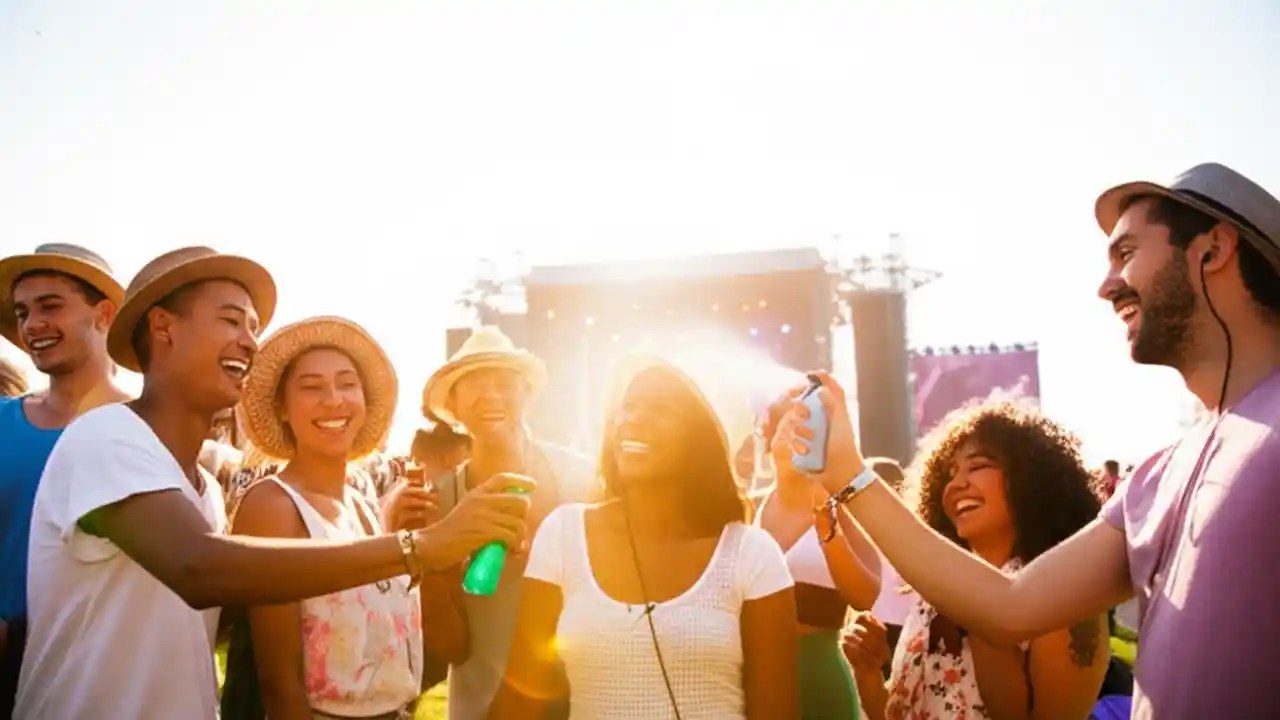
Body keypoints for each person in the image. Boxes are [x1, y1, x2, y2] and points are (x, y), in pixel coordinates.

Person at [782, 163, 1280, 719]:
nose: (1106, 285)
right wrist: (848, 476)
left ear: (1214, 249)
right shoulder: (1157, 476)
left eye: (1127, 253)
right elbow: (1012, 607)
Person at [15, 247, 533, 720]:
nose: (250, 340)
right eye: (231, 320)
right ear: (164, 327)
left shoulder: (206, 492)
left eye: (253, 326)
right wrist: (419, 547)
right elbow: (198, 568)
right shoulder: (105, 436)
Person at [491, 356, 799, 719]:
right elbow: (522, 696)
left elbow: (777, 712)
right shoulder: (562, 534)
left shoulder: (751, 553)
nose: (634, 419)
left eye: (660, 409)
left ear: (698, 436)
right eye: (629, 407)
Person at [843, 401, 1109, 719]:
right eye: (950, 473)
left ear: (1033, 477)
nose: (956, 484)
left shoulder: (1061, 592)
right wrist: (868, 671)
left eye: (978, 465)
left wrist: (979, 610)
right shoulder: (935, 597)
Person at [222, 316, 425, 719]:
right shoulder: (273, 507)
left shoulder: (364, 506)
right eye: (312, 387)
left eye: (348, 384)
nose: (334, 400)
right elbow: (279, 687)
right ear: (282, 407)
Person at [417, 326, 597, 720]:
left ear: (526, 394)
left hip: (577, 706)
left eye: (504, 382)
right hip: (477, 708)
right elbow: (451, 649)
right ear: (454, 404)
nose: (492, 395)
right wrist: (433, 572)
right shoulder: (440, 501)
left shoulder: (579, 480)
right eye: (475, 383)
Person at [0, 243, 129, 717]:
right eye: (22, 311)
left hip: (106, 666)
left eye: (51, 305)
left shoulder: (145, 430)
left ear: (104, 315)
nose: (32, 324)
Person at [754, 394, 880, 719]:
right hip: (751, 672)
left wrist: (829, 527)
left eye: (810, 428)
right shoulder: (745, 507)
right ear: (772, 436)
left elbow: (866, 595)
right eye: (791, 422)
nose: (798, 432)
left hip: (821, 677)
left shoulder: (844, 510)